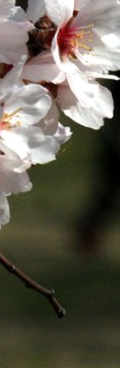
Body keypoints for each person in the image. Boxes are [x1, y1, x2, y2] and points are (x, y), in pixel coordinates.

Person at [73, 80, 120, 254]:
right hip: (114, 140)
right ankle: (87, 235)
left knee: (108, 192)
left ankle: (87, 234)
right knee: (108, 191)